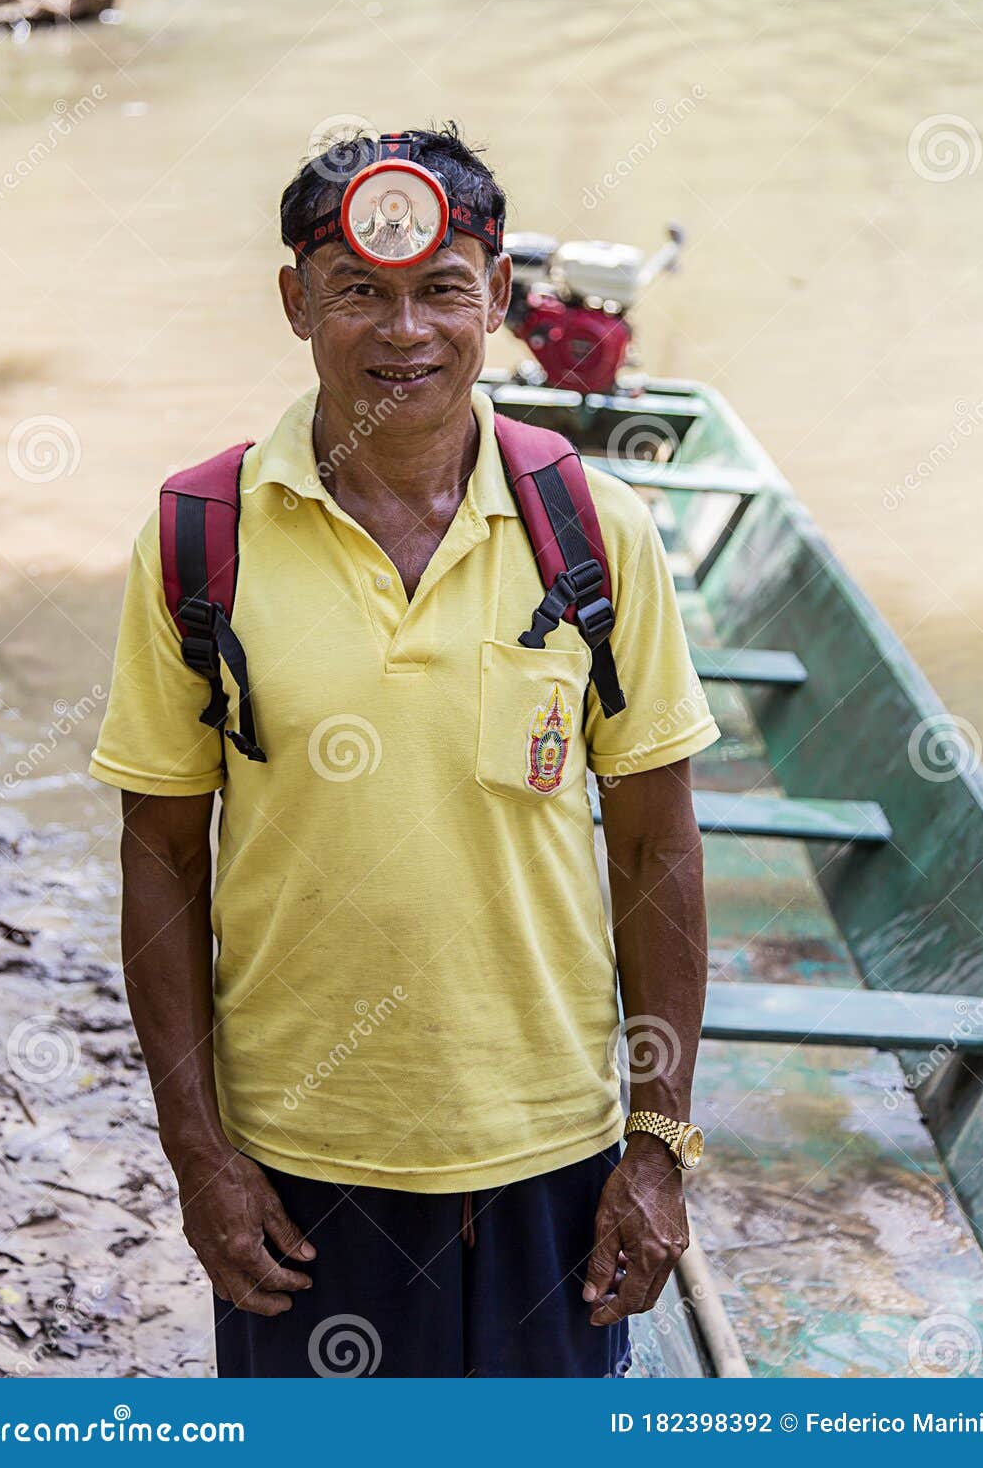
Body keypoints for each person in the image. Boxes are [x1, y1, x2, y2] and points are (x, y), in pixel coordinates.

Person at [89, 124, 719, 1379]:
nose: (405, 331)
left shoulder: (593, 531)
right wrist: (197, 1153)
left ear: (497, 294)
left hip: (548, 1152)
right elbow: (159, 858)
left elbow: (655, 846)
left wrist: (655, 1144)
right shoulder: (200, 535)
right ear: (294, 302)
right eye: (357, 293)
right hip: (295, 1163)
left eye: (441, 288)